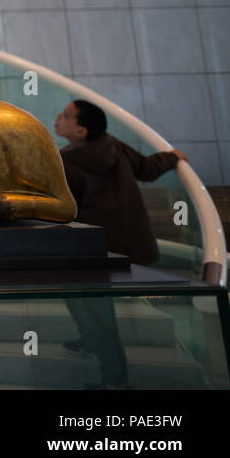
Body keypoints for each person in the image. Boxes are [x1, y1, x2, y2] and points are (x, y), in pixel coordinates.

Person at [54, 99, 187, 388]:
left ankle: (115, 381)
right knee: (88, 306)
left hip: (93, 252)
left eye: (66, 115)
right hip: (125, 245)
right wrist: (172, 157)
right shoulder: (111, 145)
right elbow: (147, 169)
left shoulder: (66, 162)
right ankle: (90, 341)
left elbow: (65, 211)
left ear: (81, 131)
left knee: (99, 314)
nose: (58, 117)